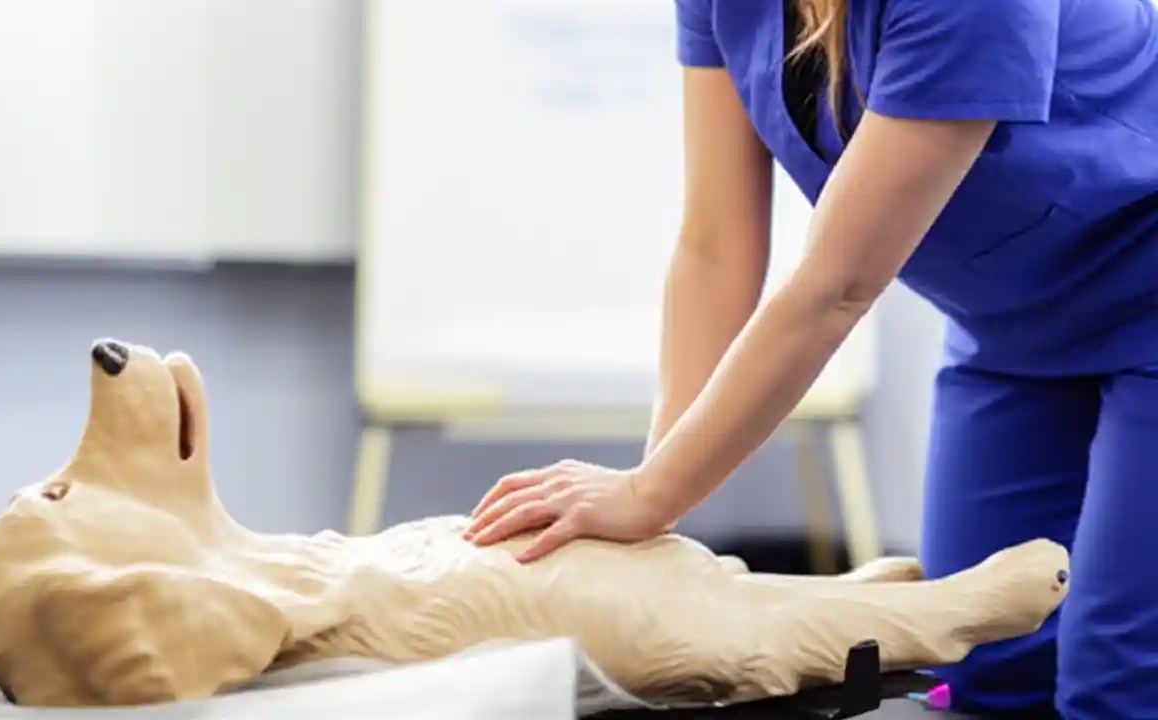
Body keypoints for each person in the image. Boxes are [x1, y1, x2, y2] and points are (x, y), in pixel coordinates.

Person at [464, 0, 1158, 717]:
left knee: (1118, 675)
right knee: (984, 665)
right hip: (1008, 329)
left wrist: (648, 496)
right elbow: (715, 247)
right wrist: (653, 507)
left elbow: (837, 288)